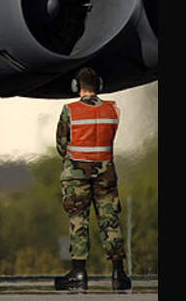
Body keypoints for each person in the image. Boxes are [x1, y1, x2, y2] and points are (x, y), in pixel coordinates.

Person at [53, 67, 132, 291]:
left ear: (77, 87)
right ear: (99, 84)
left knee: (79, 221)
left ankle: (78, 273)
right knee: (110, 220)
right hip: (106, 172)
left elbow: (61, 144)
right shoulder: (112, 109)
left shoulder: (70, 109)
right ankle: (119, 272)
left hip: (77, 173)